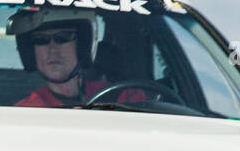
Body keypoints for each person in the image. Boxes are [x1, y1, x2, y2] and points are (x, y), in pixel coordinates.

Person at [8, 7, 145, 108]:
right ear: (31, 53)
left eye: (63, 38)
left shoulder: (124, 97)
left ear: (82, 46)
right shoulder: (27, 111)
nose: (52, 49)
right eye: (41, 40)